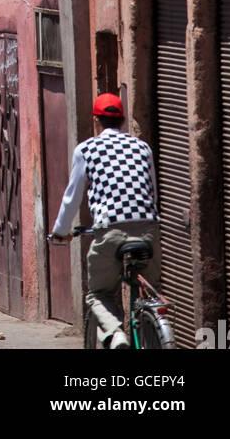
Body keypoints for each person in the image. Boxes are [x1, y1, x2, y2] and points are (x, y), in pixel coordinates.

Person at [51, 93, 161, 350]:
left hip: (109, 230)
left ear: (96, 121)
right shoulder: (143, 147)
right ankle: (154, 326)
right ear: (122, 121)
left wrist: (61, 231)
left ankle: (116, 333)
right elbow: (152, 191)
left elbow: (72, 196)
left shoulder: (86, 149)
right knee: (151, 288)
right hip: (147, 228)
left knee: (99, 293)